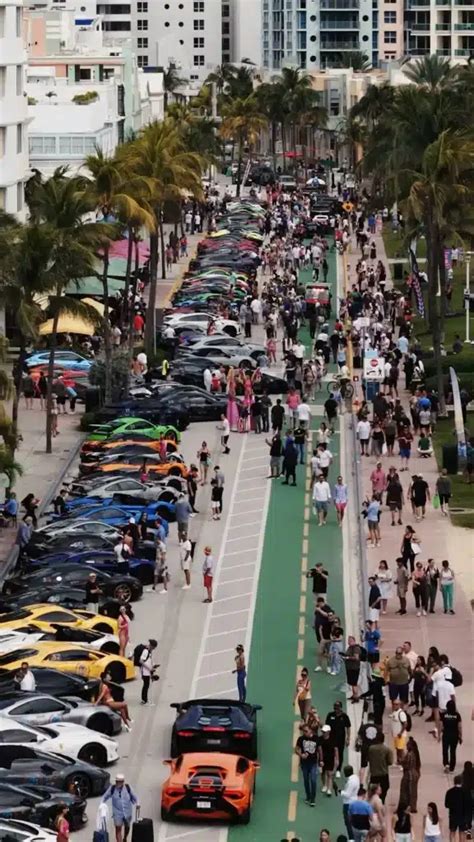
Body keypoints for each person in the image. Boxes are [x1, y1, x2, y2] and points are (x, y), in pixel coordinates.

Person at [101, 773, 139, 842]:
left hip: (127, 812)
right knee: (118, 829)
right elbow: (104, 796)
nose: (118, 783)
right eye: (117, 781)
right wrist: (102, 804)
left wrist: (138, 803)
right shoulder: (112, 788)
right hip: (117, 813)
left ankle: (125, 838)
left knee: (127, 827)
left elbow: (135, 797)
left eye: (120, 781)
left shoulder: (128, 787)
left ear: (123, 782)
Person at [325, 701, 351, 777]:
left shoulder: (345, 716)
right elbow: (327, 726)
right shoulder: (330, 715)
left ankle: (338, 770)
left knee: (340, 754)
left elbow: (348, 727)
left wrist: (348, 738)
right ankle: (331, 767)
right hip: (331, 738)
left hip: (340, 739)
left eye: (337, 707)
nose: (336, 709)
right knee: (330, 753)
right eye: (335, 707)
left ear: (340, 708)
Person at [295, 724, 318, 806]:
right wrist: (301, 755)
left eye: (306, 731)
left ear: (310, 730)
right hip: (304, 764)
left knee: (313, 780)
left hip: (313, 763)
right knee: (306, 780)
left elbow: (320, 750)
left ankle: (313, 799)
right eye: (304, 731)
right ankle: (308, 796)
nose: (305, 733)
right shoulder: (301, 739)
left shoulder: (316, 738)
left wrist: (321, 760)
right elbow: (296, 749)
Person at [445, 775, 472, 842]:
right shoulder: (466, 792)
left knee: (452, 832)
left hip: (453, 816)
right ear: (462, 782)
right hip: (463, 816)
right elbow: (469, 805)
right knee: (462, 833)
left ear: (454, 782)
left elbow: (446, 805)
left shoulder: (449, 792)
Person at [368, 732, 393, 803]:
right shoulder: (387, 750)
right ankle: (381, 802)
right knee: (384, 789)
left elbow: (368, 759)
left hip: (374, 774)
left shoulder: (371, 749)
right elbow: (390, 762)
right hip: (383, 774)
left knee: (373, 791)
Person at [399, 736, 421, 812]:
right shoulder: (415, 754)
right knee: (413, 792)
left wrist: (401, 761)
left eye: (407, 745)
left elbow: (407, 765)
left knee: (405, 791)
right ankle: (413, 806)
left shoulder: (409, 755)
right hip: (415, 773)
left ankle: (404, 806)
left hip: (409, 774)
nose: (406, 746)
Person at [440, 699, 462, 773]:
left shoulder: (443, 714)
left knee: (445, 750)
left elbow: (441, 726)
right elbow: (459, 727)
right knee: (453, 751)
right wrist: (460, 736)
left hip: (446, 734)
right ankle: (452, 767)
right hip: (454, 735)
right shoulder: (457, 715)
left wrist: (439, 735)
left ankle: (446, 764)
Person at [318, 724, 338, 797]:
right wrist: (320, 760)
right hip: (322, 759)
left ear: (329, 732)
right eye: (323, 731)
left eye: (325, 731)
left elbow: (336, 750)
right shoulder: (320, 739)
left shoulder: (333, 739)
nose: (323, 733)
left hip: (330, 758)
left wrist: (337, 759)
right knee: (322, 773)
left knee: (330, 774)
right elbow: (319, 750)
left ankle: (329, 789)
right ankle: (324, 785)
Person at [341, 764, 360, 838]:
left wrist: (340, 792)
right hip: (354, 801)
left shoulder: (351, 782)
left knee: (348, 822)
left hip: (348, 803)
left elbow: (347, 794)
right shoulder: (356, 778)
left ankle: (351, 837)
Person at [139, 639, 158, 705]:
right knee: (146, 685)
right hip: (145, 671)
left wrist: (154, 665)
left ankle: (145, 700)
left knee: (146, 685)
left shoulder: (149, 651)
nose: (154, 649)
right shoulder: (145, 651)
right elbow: (141, 661)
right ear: (151, 646)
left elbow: (149, 660)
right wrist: (149, 669)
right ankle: (144, 700)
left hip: (147, 671)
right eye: (154, 647)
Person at [344, 635, 361, 703]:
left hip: (354, 668)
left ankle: (356, 697)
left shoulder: (356, 648)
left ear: (354, 641)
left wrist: (348, 658)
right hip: (349, 667)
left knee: (354, 683)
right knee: (351, 683)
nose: (349, 642)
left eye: (350, 641)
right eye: (348, 641)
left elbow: (356, 658)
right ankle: (353, 695)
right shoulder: (350, 647)